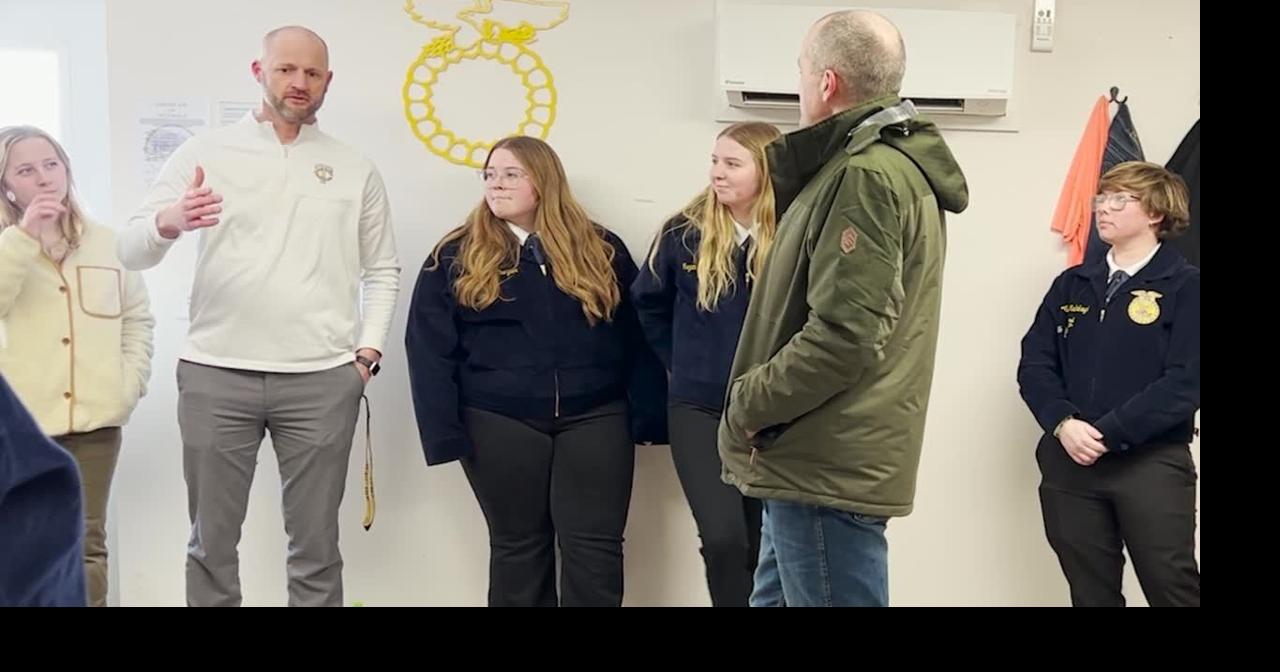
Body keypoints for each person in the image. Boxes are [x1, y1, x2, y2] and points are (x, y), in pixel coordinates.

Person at [116, 26, 401, 607]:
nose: (299, 82)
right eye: (286, 69)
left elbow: (383, 269)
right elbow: (129, 249)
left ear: (327, 81)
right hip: (215, 375)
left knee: (317, 547)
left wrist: (366, 354)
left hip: (322, 380)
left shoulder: (354, 167)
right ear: (259, 71)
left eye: (312, 73)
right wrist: (169, 220)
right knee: (211, 545)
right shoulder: (204, 153)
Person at [716, 10, 969, 607]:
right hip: (809, 457)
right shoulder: (866, 168)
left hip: (823, 460)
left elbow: (845, 335)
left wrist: (750, 402)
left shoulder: (865, 176)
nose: (799, 82)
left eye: (800, 70)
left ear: (826, 82)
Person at [406, 136, 664, 607]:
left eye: (510, 174)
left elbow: (637, 336)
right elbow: (427, 348)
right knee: (519, 549)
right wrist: (442, 433)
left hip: (597, 416)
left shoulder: (601, 247)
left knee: (596, 550)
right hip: (497, 420)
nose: (496, 184)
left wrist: (649, 416)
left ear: (543, 182)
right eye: (489, 174)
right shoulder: (454, 254)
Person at [1018, 161, 1200, 607]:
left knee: (1171, 589)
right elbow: (1035, 364)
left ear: (1156, 213)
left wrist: (1109, 432)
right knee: (1090, 594)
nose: (1104, 209)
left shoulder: (1186, 287)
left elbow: (1185, 381)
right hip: (1070, 463)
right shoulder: (1072, 285)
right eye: (1102, 198)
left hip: (1150, 464)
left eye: (1121, 199)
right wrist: (1063, 423)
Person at [0, 125, 154, 607]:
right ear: (7, 186)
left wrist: (127, 386)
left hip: (95, 428)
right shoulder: (8, 246)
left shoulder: (110, 244)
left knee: (87, 549)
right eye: (25, 170)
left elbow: (137, 321)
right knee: (16, 550)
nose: (44, 178)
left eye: (52, 164)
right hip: (22, 431)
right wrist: (25, 237)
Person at [632, 122, 780, 607]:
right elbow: (647, 304)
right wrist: (682, 364)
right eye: (715, 161)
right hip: (698, 409)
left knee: (768, 543)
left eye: (732, 163)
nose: (717, 173)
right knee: (723, 538)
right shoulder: (683, 232)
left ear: (766, 168)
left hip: (773, 412)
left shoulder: (796, 230)